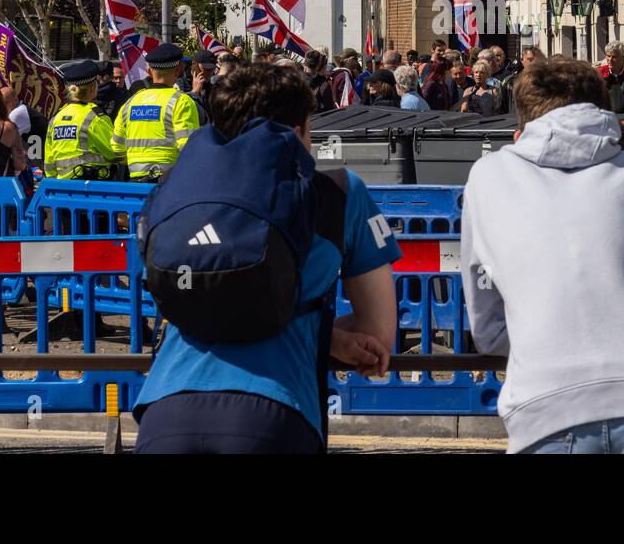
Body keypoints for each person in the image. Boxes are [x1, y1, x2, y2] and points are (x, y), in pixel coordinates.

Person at [133, 64, 400, 454]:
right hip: (274, 413)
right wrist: (325, 336)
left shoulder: (178, 193)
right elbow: (378, 334)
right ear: (295, 134)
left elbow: (200, 298)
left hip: (165, 408)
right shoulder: (340, 192)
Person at [461, 57, 624, 454]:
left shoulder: (488, 176)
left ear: (521, 124)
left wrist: (540, 336)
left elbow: (485, 328)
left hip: (549, 401)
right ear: (604, 109)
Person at [112, 43, 202, 182]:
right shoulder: (181, 101)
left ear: (149, 72)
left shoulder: (130, 102)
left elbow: (116, 148)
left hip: (135, 183)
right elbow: (189, 149)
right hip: (169, 183)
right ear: (178, 71)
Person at [45, 60, 123, 181]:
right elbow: (113, 153)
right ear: (92, 88)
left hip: (61, 189)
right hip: (91, 189)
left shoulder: (56, 118)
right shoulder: (95, 117)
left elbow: (49, 164)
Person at [304, 49, 337, 114]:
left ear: (305, 62)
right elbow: (330, 109)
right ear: (319, 65)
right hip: (317, 120)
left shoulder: (296, 79)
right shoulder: (323, 84)